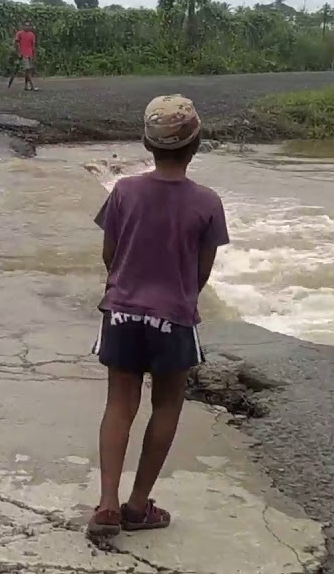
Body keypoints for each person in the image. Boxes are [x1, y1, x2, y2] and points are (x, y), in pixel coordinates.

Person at [86, 95, 230, 539]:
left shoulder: (124, 191)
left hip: (123, 312)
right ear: (196, 144)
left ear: (147, 144)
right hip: (174, 317)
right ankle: (137, 506)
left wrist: (125, 287)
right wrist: (180, 299)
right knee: (166, 404)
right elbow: (202, 271)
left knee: (119, 404)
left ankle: (107, 505)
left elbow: (110, 254)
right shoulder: (208, 203)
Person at [13, 21, 39, 92]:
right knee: (27, 70)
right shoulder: (19, 33)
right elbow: (16, 44)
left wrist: (34, 55)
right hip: (23, 54)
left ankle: (25, 86)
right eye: (26, 26)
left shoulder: (31, 34)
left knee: (28, 70)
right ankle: (32, 86)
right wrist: (18, 52)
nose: (27, 27)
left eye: (28, 26)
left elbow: (33, 46)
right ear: (23, 26)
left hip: (30, 54)